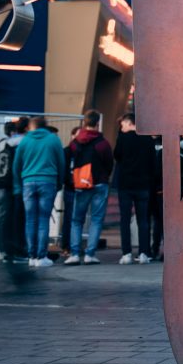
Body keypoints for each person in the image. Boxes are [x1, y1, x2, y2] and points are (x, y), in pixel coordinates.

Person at [12, 115, 64, 267]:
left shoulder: (25, 140)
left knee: (30, 220)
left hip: (28, 182)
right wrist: (59, 182)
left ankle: (31, 256)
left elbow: (16, 165)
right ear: (45, 125)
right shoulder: (53, 140)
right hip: (48, 182)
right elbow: (61, 163)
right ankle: (41, 256)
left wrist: (18, 185)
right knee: (43, 219)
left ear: (32, 126)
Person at [65, 110, 116, 264]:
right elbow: (109, 163)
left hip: (81, 184)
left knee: (76, 220)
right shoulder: (103, 143)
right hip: (100, 183)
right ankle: (90, 254)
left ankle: (74, 253)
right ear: (97, 124)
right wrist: (104, 177)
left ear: (84, 123)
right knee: (96, 219)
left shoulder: (75, 142)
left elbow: (68, 159)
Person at [111, 113, 158, 264]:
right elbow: (153, 163)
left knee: (124, 220)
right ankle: (144, 253)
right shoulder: (148, 139)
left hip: (125, 185)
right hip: (143, 185)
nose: (122, 127)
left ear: (130, 123)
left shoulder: (123, 139)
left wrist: (120, 136)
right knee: (143, 220)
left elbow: (116, 155)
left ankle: (126, 253)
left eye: (123, 124)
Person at [0, 117, 24, 262]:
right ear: (13, 132)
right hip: (6, 186)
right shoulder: (10, 143)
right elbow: (20, 141)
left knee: (0, 217)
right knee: (4, 218)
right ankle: (1, 249)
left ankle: (0, 248)